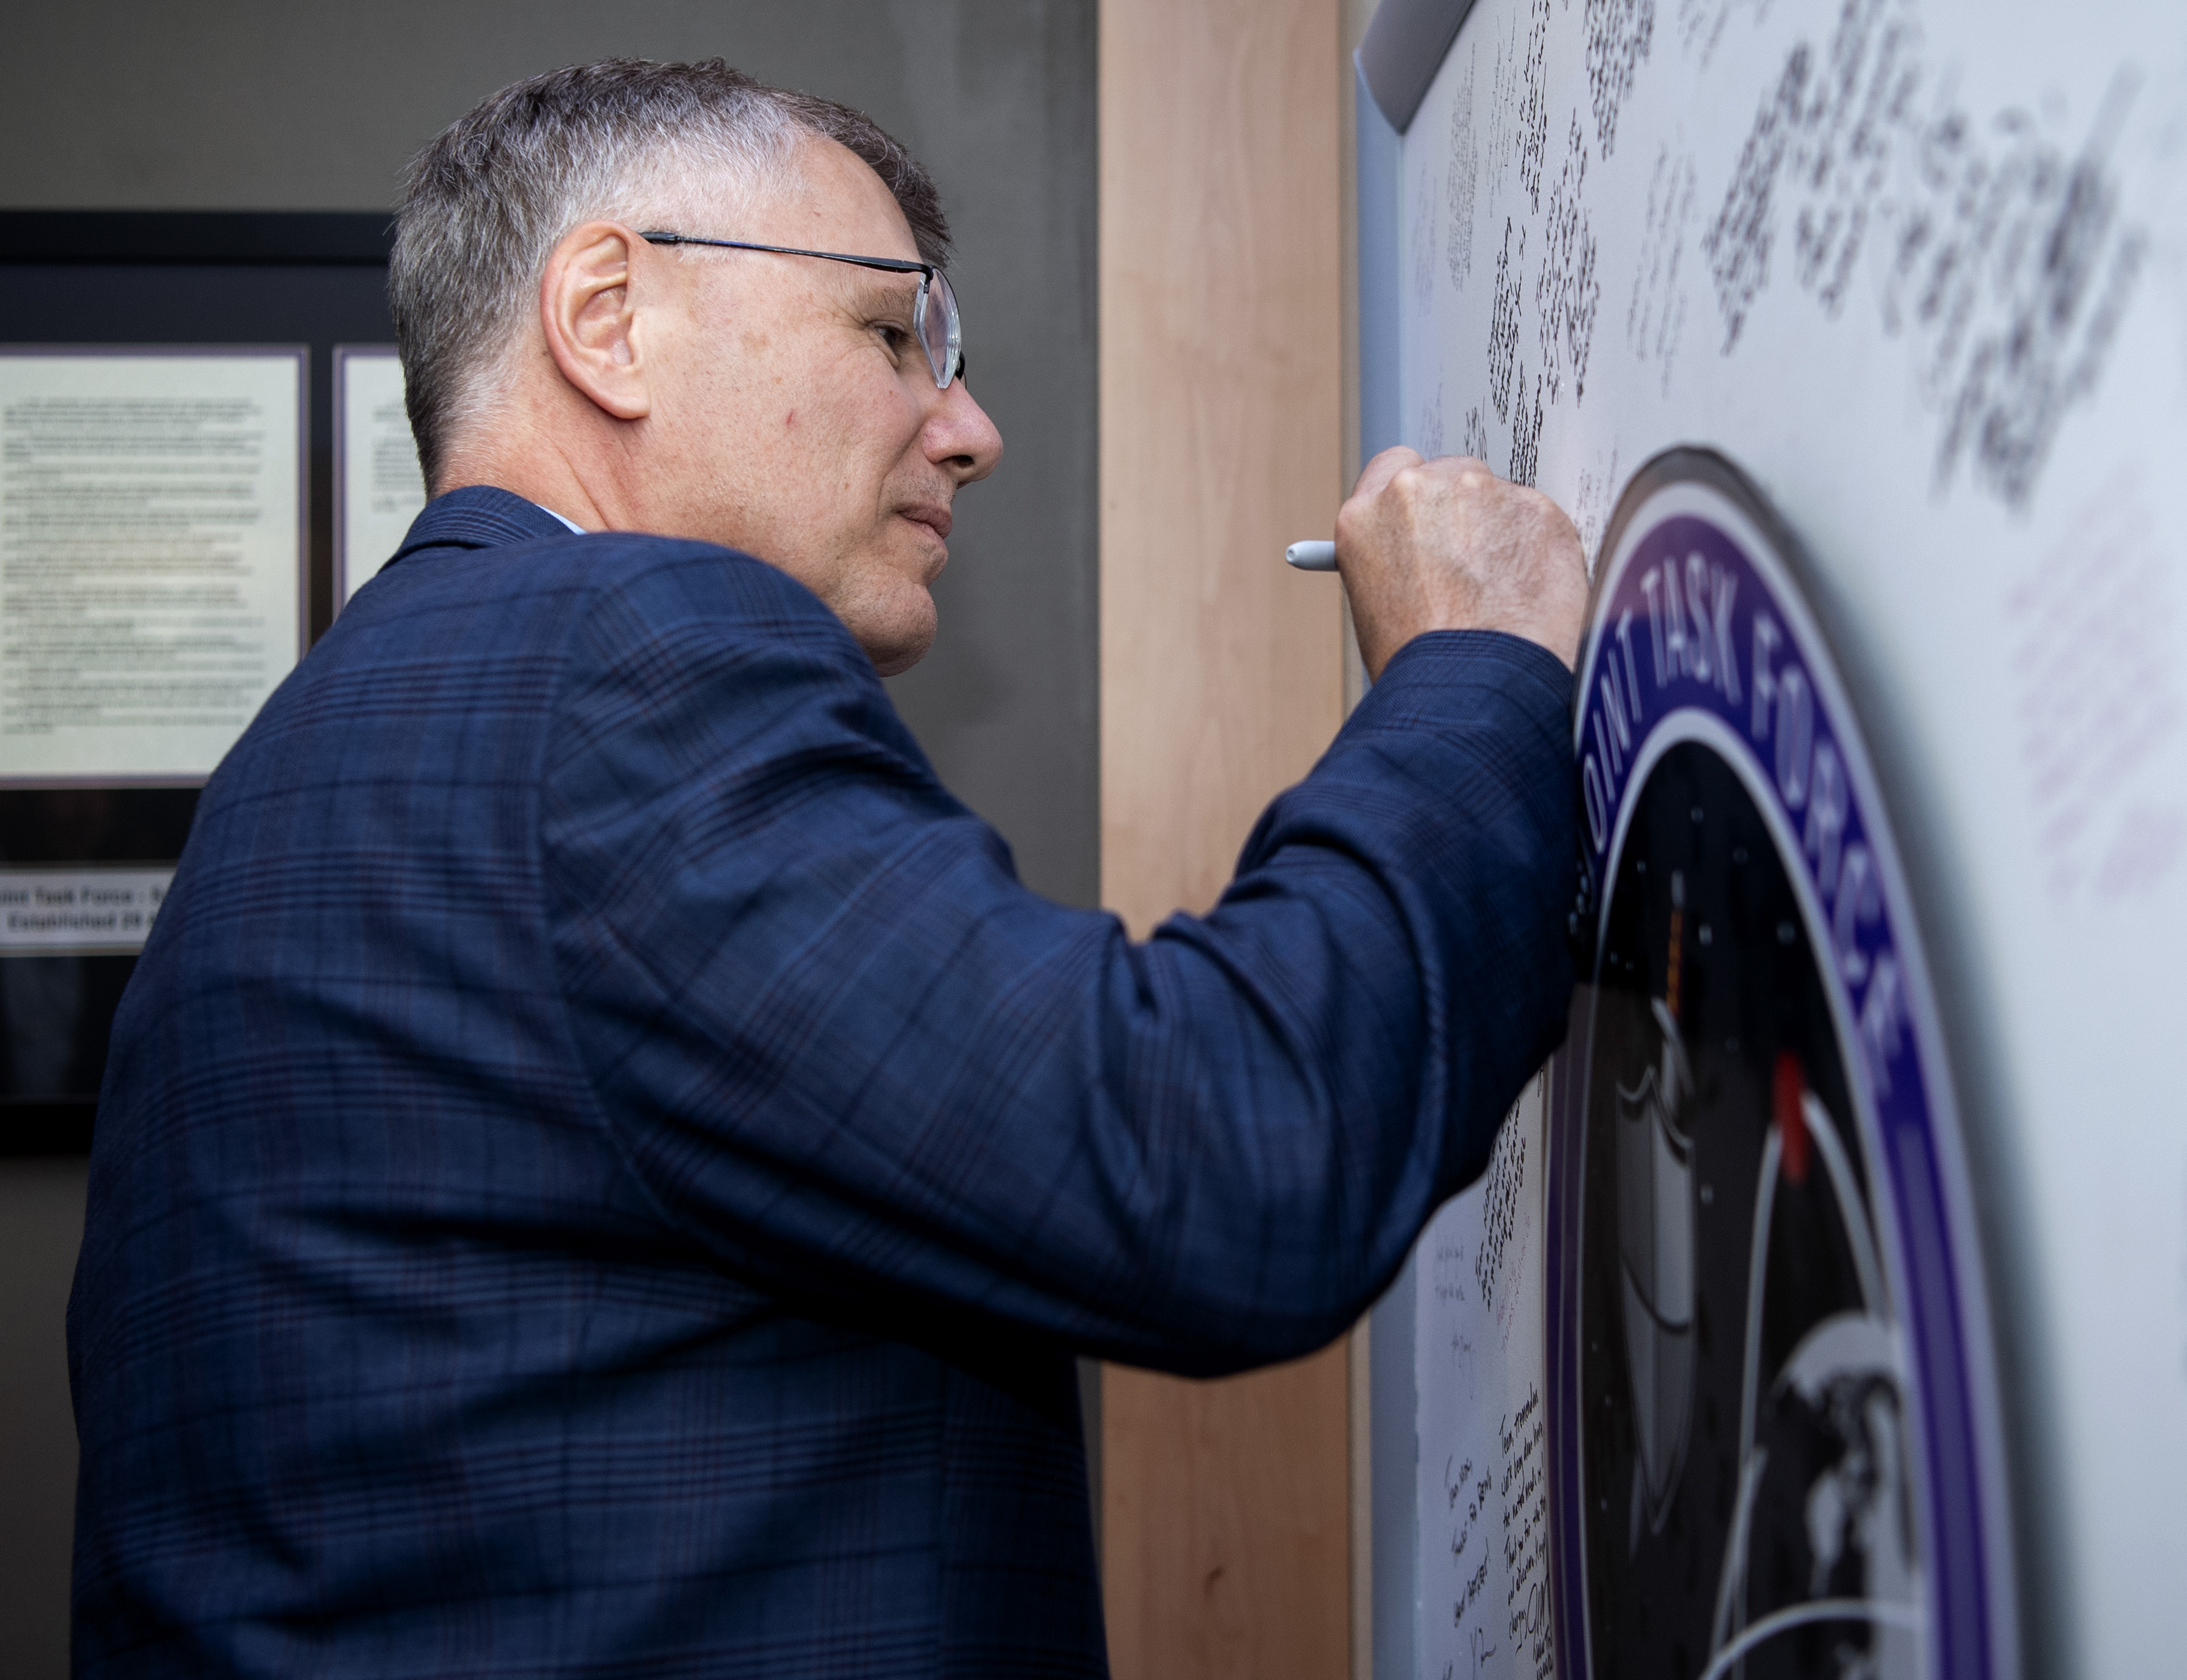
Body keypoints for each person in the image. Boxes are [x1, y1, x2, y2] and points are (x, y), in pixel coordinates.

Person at [68, 58, 1587, 1678]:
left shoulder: (322, 747)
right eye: (891, 335)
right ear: (609, 318)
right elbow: (1224, 1152)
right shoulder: (620, 661)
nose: (972, 430)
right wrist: (1468, 673)